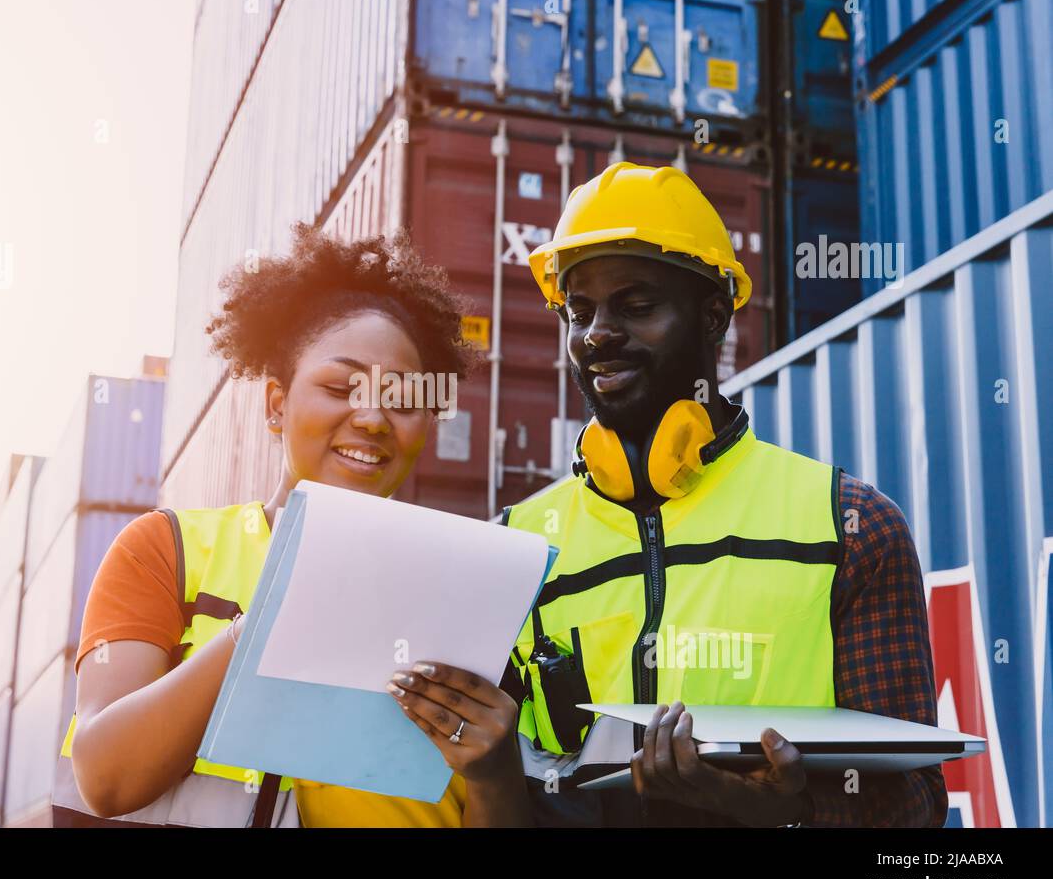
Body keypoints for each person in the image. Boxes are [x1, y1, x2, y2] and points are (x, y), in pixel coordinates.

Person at [499, 162, 948, 826]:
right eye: (579, 310)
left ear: (714, 317)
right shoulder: (513, 548)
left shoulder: (850, 527)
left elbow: (911, 809)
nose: (596, 334)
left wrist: (773, 813)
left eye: (636, 305)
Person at [54, 224, 532, 827]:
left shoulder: (470, 597)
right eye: (339, 387)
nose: (373, 418)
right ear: (276, 404)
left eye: (404, 400)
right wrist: (260, 626)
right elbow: (106, 777)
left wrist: (494, 771)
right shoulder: (168, 550)